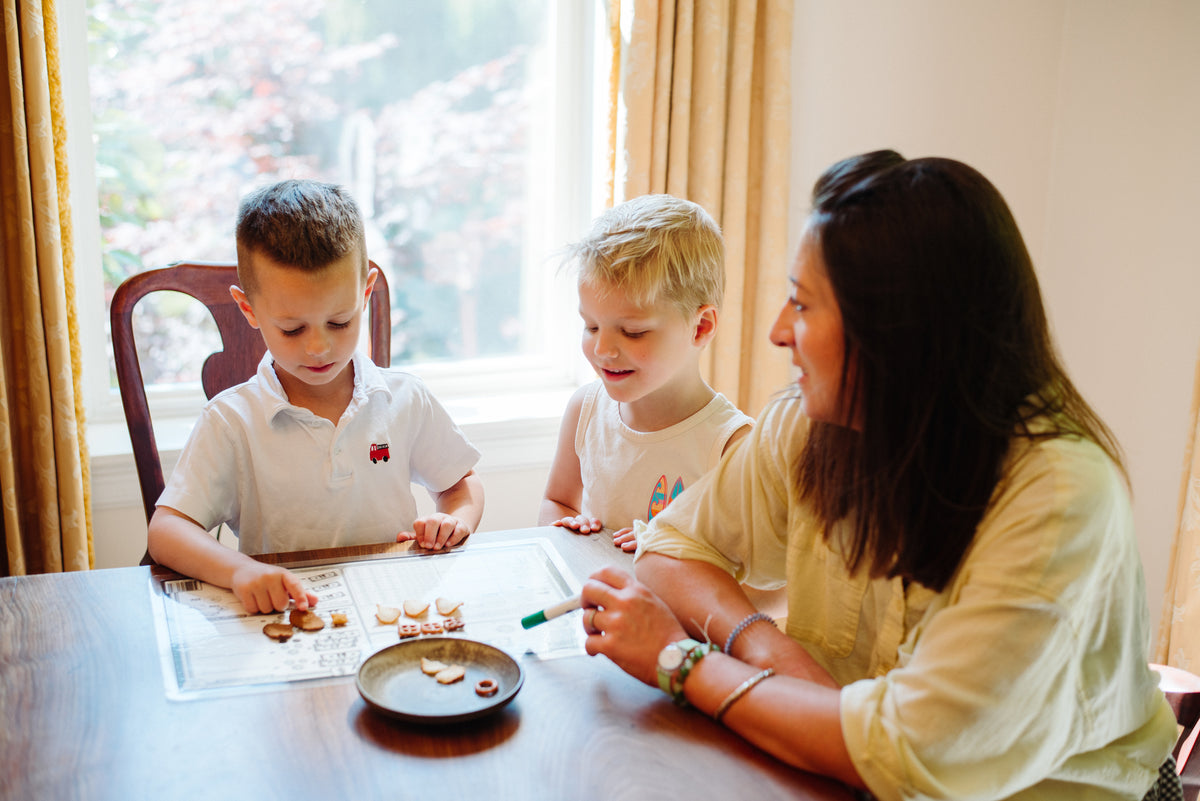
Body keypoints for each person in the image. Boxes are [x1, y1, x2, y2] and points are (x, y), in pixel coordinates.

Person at [578, 152, 1181, 800]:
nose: (780, 331)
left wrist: (682, 661)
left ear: (898, 333)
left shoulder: (1059, 496)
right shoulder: (808, 427)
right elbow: (672, 548)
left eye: (803, 305)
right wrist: (765, 647)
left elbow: (906, 752)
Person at [147, 180, 484, 614]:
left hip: (390, 610)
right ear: (248, 309)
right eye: (292, 329)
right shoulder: (231, 421)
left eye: (340, 322)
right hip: (285, 618)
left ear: (365, 293)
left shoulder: (404, 398)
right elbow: (167, 531)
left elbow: (461, 485)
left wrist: (454, 521)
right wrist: (238, 571)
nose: (318, 348)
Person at [538, 194, 752, 552]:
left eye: (633, 332)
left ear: (700, 327)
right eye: (591, 327)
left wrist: (676, 547)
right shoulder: (585, 410)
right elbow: (556, 502)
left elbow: (758, 578)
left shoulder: (733, 447)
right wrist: (564, 527)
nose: (603, 349)